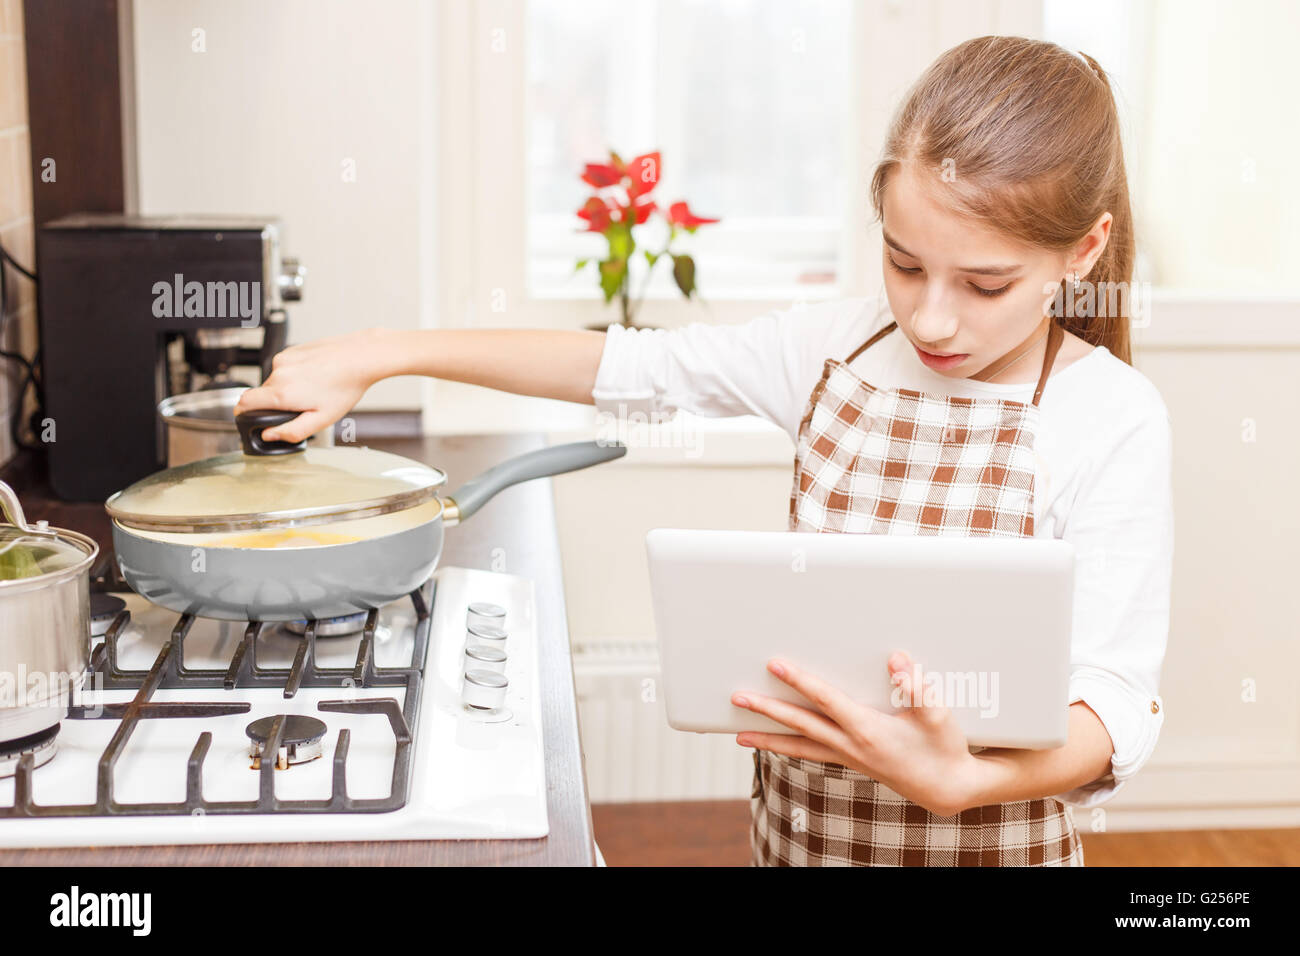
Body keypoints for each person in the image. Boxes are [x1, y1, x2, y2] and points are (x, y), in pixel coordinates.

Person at [236, 35, 1172, 867]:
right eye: (903, 260)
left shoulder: (1111, 415)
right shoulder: (831, 353)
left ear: (1081, 252)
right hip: (796, 840)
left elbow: (1114, 703)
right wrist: (385, 353)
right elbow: (632, 367)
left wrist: (962, 780)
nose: (930, 315)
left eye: (984, 283)